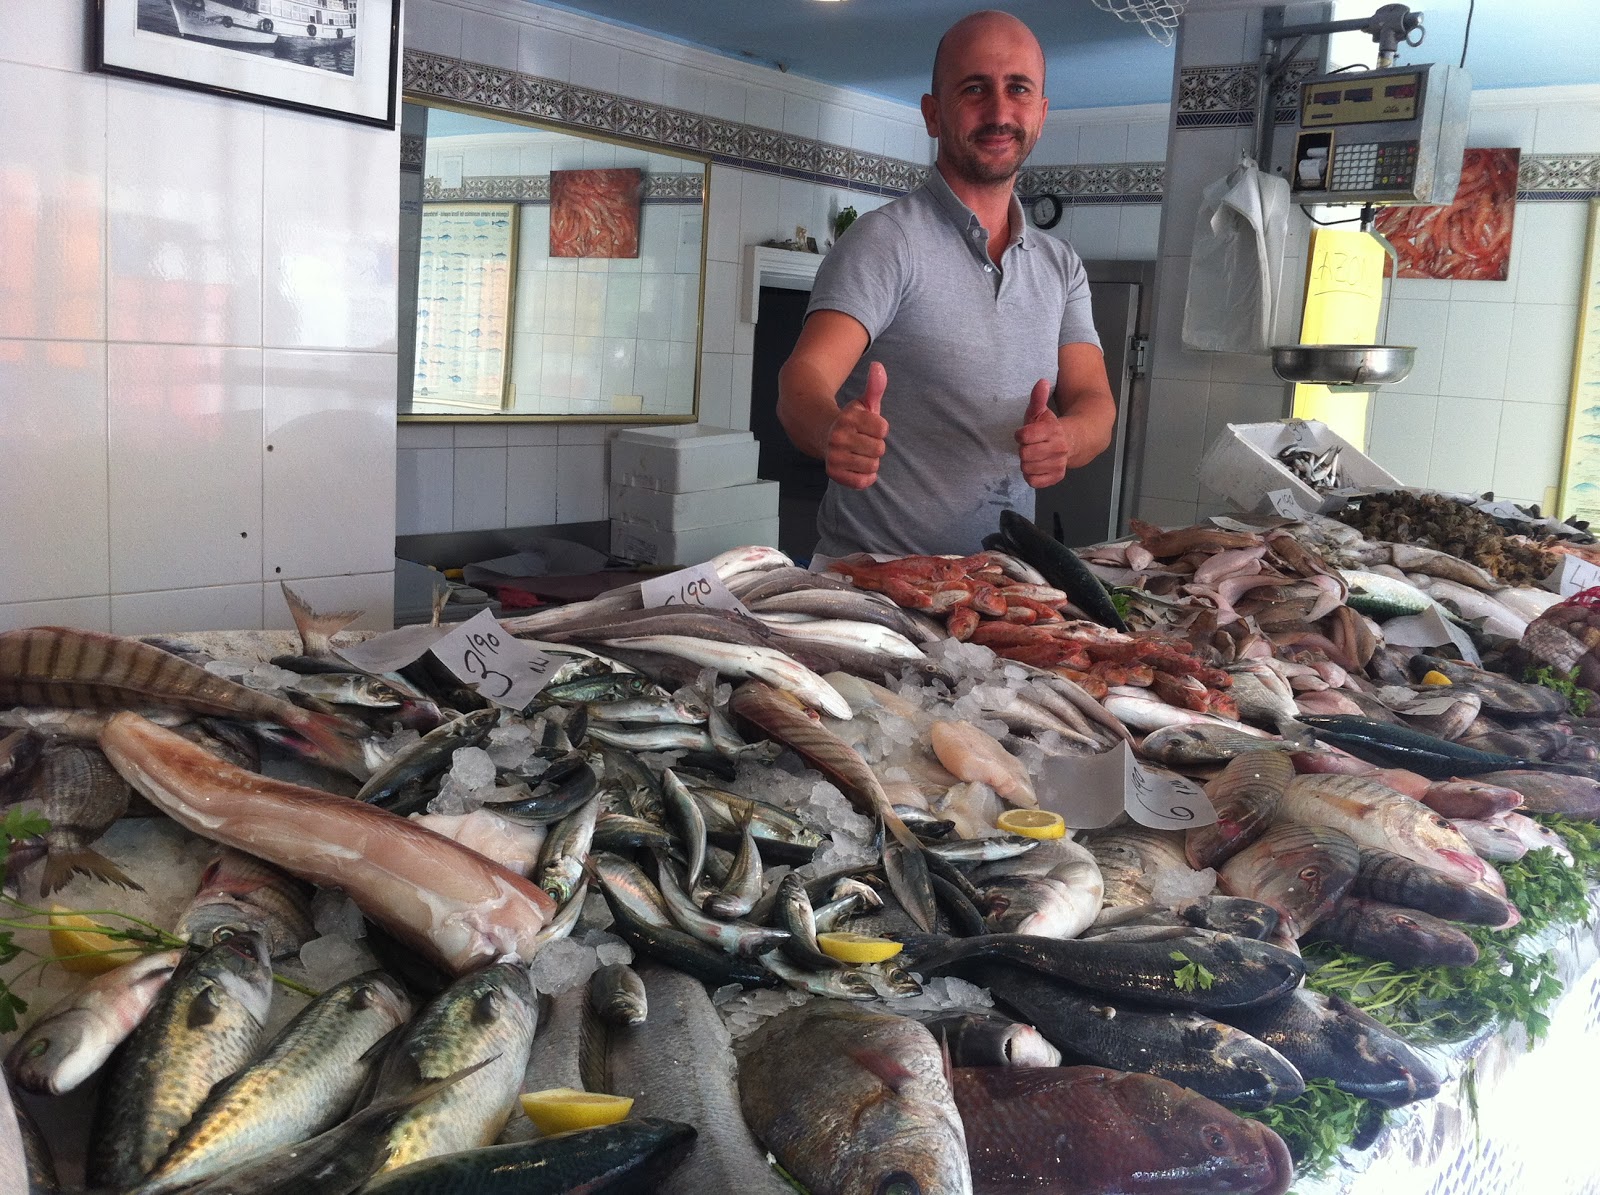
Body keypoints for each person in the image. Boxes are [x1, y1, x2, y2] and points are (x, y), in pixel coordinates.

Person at [776, 9, 1117, 559]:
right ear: (934, 114)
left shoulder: (1061, 265)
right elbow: (804, 379)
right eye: (975, 89)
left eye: (1018, 89)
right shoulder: (885, 241)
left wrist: (1069, 439)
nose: (1000, 111)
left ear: (1042, 113)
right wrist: (831, 429)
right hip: (874, 586)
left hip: (997, 585)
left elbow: (1095, 400)